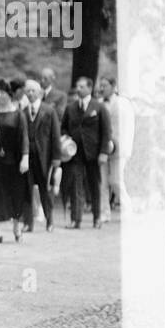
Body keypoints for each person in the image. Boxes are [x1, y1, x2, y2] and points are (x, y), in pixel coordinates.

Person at [60, 75, 113, 228]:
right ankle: (75, 219)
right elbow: (63, 127)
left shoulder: (99, 107)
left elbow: (106, 131)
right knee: (76, 185)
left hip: (94, 153)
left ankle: (97, 217)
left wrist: (103, 152)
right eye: (78, 86)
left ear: (90, 88)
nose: (79, 89)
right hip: (75, 153)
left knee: (94, 186)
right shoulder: (71, 108)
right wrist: (66, 140)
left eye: (82, 86)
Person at [0, 78, 31, 242]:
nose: (0, 96)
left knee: (16, 194)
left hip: (14, 160)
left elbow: (24, 137)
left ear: (9, 95)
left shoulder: (18, 114)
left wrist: (25, 157)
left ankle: (17, 225)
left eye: (3, 93)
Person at [23, 79, 62, 233]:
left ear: (39, 93)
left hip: (44, 157)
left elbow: (55, 136)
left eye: (33, 91)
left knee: (45, 190)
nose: (30, 94)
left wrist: (56, 157)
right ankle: (28, 223)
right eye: (28, 91)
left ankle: (49, 220)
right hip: (28, 157)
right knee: (27, 189)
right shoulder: (23, 112)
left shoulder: (49, 111)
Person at [98, 76, 135, 218]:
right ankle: (104, 213)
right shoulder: (99, 103)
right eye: (100, 85)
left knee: (116, 180)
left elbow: (126, 128)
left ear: (113, 86)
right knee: (102, 182)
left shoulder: (123, 103)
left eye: (105, 85)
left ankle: (127, 209)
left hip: (119, 148)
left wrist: (118, 145)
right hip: (102, 147)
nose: (102, 88)